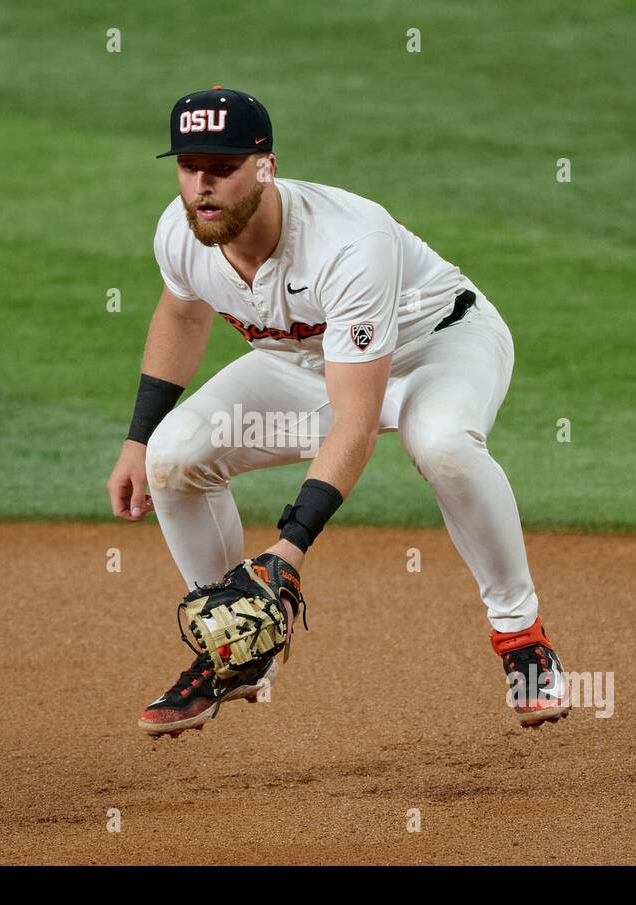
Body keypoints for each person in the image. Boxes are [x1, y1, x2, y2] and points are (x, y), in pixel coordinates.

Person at [106, 87, 571, 737]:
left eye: (222, 167)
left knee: (443, 444)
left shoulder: (348, 242)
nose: (202, 185)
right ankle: (236, 647)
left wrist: (289, 549)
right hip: (304, 363)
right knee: (173, 456)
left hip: (436, 346)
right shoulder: (181, 232)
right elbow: (182, 313)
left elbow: (356, 422)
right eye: (189, 167)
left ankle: (522, 638)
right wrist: (138, 439)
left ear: (265, 166)